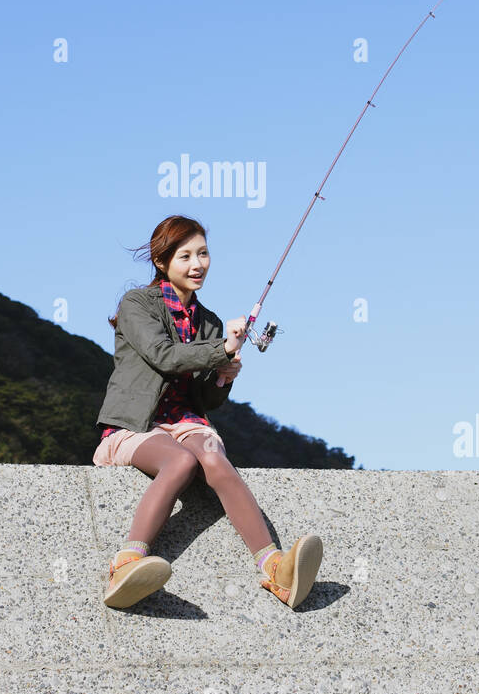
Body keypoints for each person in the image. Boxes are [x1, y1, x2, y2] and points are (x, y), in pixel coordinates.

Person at [93, 214, 322, 610]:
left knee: (213, 457)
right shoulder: (137, 305)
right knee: (181, 462)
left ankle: (276, 569)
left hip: (186, 422)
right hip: (137, 426)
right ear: (162, 262)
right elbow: (164, 357)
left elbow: (204, 398)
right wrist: (222, 350)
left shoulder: (210, 322)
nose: (197, 264)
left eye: (203, 253)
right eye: (184, 256)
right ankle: (125, 562)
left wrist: (222, 377)